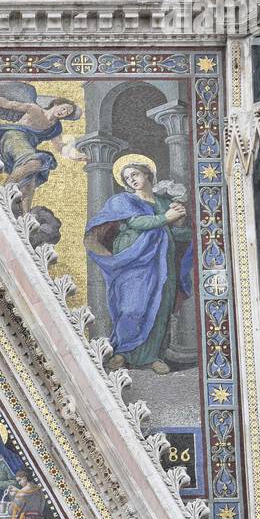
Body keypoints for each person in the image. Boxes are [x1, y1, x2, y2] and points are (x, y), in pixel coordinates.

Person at [84, 154, 193, 375]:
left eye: (135, 174)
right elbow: (138, 222)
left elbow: (179, 236)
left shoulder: (164, 203)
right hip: (132, 261)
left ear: (147, 173)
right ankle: (123, 352)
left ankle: (152, 356)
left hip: (163, 261)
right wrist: (168, 218)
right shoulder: (124, 201)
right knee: (132, 307)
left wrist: (180, 222)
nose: (131, 180)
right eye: (127, 178)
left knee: (160, 307)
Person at [0, 85, 84, 213]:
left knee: (31, 180)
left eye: (66, 113)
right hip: (13, 137)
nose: (63, 113)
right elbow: (8, 104)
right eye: (64, 108)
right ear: (56, 103)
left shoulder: (55, 127)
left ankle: (24, 215)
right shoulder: (34, 109)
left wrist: (75, 156)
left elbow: (60, 146)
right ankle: (3, 192)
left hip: (27, 149)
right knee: (35, 162)